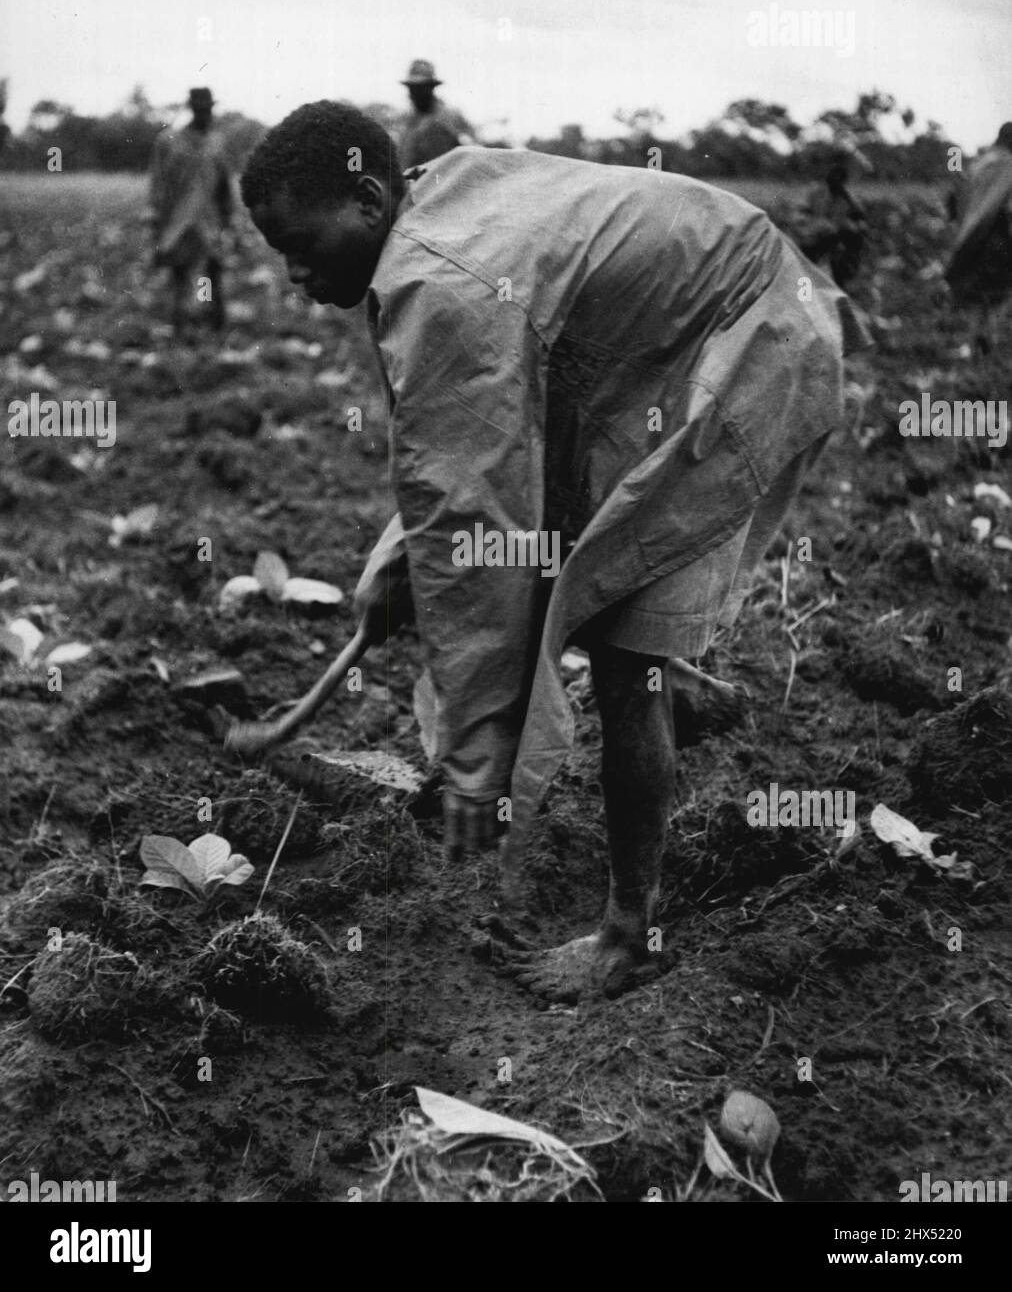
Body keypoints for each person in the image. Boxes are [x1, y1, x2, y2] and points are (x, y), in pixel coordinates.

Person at [240, 101, 867, 1003]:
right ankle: (682, 689)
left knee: (620, 651)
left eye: (302, 245)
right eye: (277, 254)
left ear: (373, 198)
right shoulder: (433, 207)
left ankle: (628, 932)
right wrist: (396, 564)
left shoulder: (441, 283)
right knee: (586, 565)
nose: (294, 273)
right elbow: (458, 448)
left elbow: (474, 525)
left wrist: (477, 751)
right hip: (640, 353)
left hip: (747, 335)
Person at [148, 87, 233, 335]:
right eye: (200, 109)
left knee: (210, 276)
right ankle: (183, 329)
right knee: (181, 277)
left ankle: (211, 326)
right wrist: (155, 223)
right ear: (192, 109)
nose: (205, 114)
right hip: (178, 223)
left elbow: (224, 186)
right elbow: (158, 185)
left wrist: (229, 218)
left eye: (208, 109)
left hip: (210, 221)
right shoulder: (168, 141)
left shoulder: (217, 142)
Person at [945, 122, 1012, 358]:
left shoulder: (981, 163)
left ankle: (974, 341)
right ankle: (987, 337)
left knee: (976, 292)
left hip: (975, 235)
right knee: (999, 291)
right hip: (1001, 235)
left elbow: (960, 191)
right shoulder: (1008, 165)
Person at [797, 157, 867, 290]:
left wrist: (851, 226)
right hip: (812, 238)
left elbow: (860, 220)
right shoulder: (816, 194)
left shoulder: (848, 199)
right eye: (834, 176)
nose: (836, 180)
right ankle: (804, 295)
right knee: (805, 270)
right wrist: (812, 226)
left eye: (840, 178)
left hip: (834, 240)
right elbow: (800, 214)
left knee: (839, 265)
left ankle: (841, 288)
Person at [398, 59, 475, 169]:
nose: (414, 93)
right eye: (412, 88)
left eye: (420, 88)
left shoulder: (449, 118)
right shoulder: (408, 123)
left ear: (431, 88)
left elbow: (471, 152)